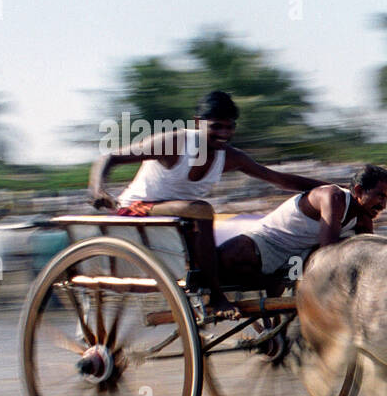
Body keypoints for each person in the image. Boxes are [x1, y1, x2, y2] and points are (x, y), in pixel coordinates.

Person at [88, 91, 333, 317]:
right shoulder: (175, 143)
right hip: (136, 211)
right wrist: (98, 189)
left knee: (230, 228)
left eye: (229, 128)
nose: (223, 134)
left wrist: (334, 189)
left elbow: (279, 179)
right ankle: (216, 297)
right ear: (198, 123)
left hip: (180, 220)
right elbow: (109, 157)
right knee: (201, 209)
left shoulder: (231, 157)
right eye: (216, 127)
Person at [218, 165, 387, 289]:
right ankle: (273, 286)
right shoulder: (333, 197)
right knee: (222, 261)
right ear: (358, 191)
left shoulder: (363, 220)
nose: (383, 205)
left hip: (297, 257)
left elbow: (370, 260)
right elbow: (328, 251)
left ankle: (280, 287)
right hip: (266, 242)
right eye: (380, 196)